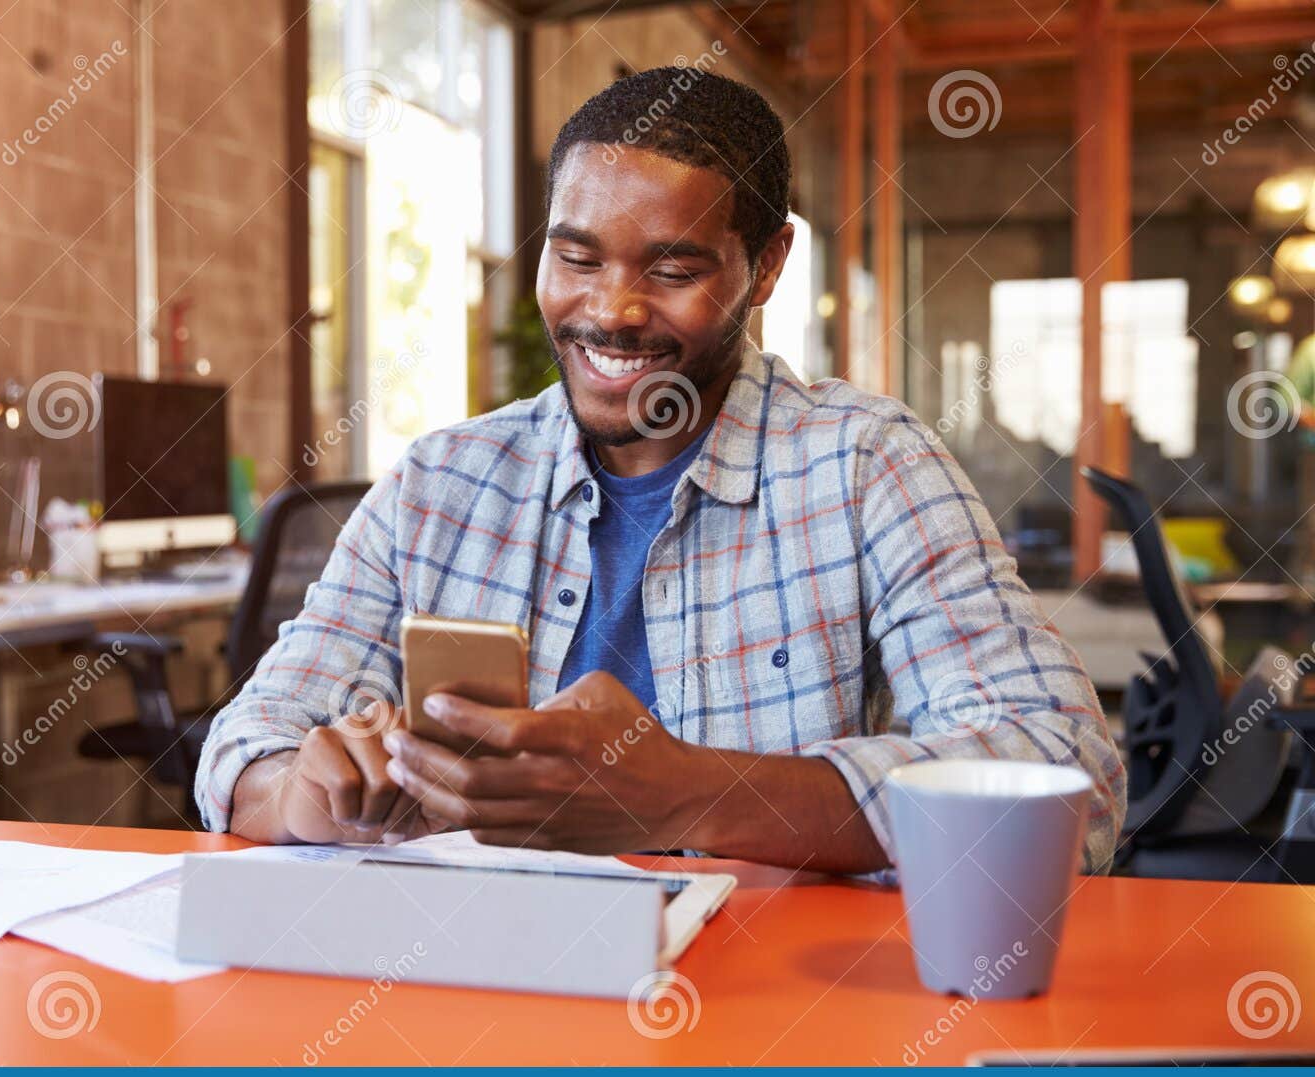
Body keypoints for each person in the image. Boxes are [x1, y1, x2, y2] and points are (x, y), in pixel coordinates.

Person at [197, 68, 1125, 874]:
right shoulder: (443, 481)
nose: (612, 310)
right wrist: (301, 797)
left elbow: (1067, 782)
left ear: (765, 267)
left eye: (673, 269)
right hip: (481, 993)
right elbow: (244, 747)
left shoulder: (865, 466)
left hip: (764, 1020)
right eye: (577, 258)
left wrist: (692, 794)